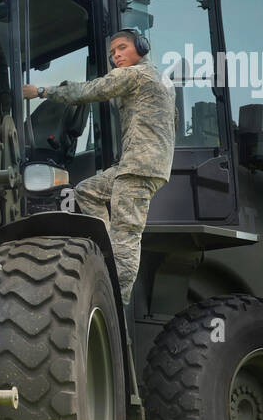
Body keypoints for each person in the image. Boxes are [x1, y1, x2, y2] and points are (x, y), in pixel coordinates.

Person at [22, 29, 175, 305]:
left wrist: (41, 91)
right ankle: (104, 253)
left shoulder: (135, 75)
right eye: (112, 52)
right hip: (137, 164)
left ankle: (116, 302)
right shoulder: (159, 80)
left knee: (126, 236)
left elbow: (89, 90)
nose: (116, 55)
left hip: (139, 167)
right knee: (87, 191)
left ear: (141, 47)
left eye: (122, 47)